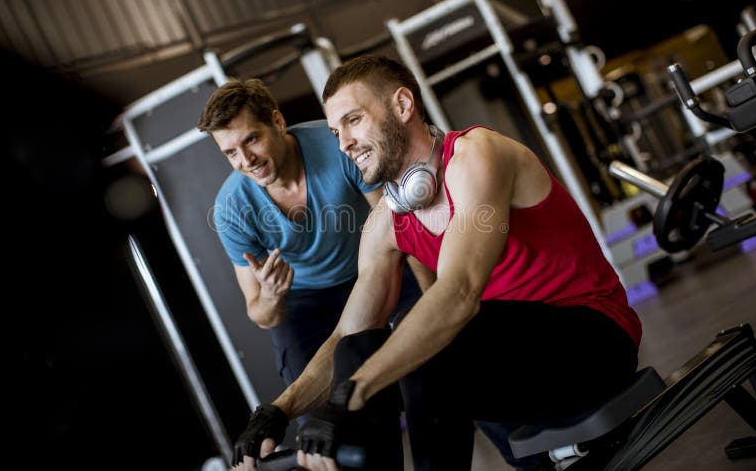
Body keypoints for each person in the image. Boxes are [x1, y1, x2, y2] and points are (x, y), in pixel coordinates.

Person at [230, 56, 642, 471]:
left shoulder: (477, 154)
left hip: (595, 344)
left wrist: (352, 395)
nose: (343, 143)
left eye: (353, 120)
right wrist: (278, 412)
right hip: (512, 363)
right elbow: (347, 333)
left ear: (403, 105)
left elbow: (459, 294)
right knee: (357, 348)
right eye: (336, 131)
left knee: (428, 337)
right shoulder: (386, 223)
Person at [197, 78, 427, 399]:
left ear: (277, 122)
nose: (246, 161)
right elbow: (264, 316)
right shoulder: (231, 208)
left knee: (441, 366)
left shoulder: (338, 146)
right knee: (319, 416)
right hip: (305, 301)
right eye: (231, 153)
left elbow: (398, 228)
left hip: (375, 266)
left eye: (251, 140)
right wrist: (272, 295)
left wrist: (436, 298)